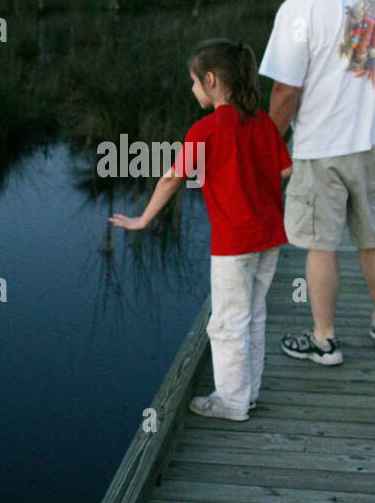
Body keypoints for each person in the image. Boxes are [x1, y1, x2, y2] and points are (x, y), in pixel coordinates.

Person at [253, 0, 375, 363]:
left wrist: (268, 142)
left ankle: (324, 340)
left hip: (322, 144)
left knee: (321, 244)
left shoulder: (298, 8)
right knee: (374, 233)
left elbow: (286, 91)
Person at [111, 39, 291, 422]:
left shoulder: (205, 130)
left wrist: (143, 219)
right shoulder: (262, 122)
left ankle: (231, 402)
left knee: (227, 323)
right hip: (269, 237)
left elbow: (172, 178)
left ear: (211, 80)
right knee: (254, 316)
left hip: (234, 244)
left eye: (194, 82)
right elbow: (284, 170)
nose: (192, 89)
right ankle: (248, 393)